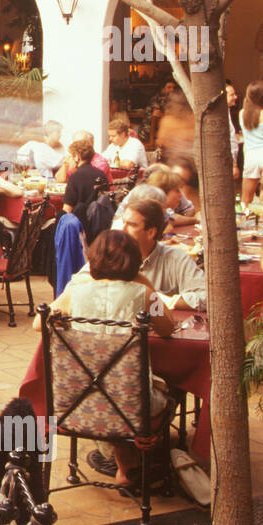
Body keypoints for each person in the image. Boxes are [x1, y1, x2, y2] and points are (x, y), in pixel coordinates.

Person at [50, 230, 175, 489]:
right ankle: (132, 464)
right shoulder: (145, 295)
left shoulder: (75, 293)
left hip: (77, 404)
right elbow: (167, 328)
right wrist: (143, 282)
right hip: (133, 407)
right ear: (134, 261)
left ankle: (123, 463)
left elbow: (38, 325)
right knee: (162, 390)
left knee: (106, 386)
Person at [118, 199, 207, 310]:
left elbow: (205, 297)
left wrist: (158, 300)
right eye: (124, 222)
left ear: (151, 232)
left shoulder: (175, 258)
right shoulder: (112, 254)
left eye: (132, 225)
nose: (123, 229)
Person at [61, 138, 109, 229]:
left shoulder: (75, 177)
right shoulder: (101, 174)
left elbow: (67, 210)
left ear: (76, 157)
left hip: (79, 227)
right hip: (99, 225)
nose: (68, 161)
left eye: (70, 157)